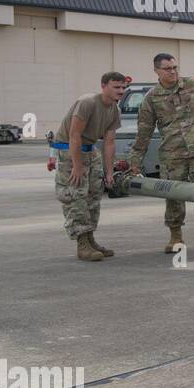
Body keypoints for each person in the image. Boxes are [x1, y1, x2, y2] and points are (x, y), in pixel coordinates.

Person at [128, 53, 194, 253]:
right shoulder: (152, 98)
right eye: (168, 68)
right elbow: (144, 132)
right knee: (173, 196)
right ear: (157, 71)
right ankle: (176, 238)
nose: (173, 71)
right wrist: (135, 161)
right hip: (172, 155)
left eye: (175, 67)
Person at [53, 72, 129, 261]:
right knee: (76, 195)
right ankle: (82, 244)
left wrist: (110, 171)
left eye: (123, 87)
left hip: (90, 149)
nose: (121, 91)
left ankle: (90, 238)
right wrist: (77, 167)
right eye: (116, 87)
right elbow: (74, 136)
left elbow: (109, 142)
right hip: (70, 151)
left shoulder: (114, 110)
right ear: (104, 86)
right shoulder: (88, 103)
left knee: (93, 196)